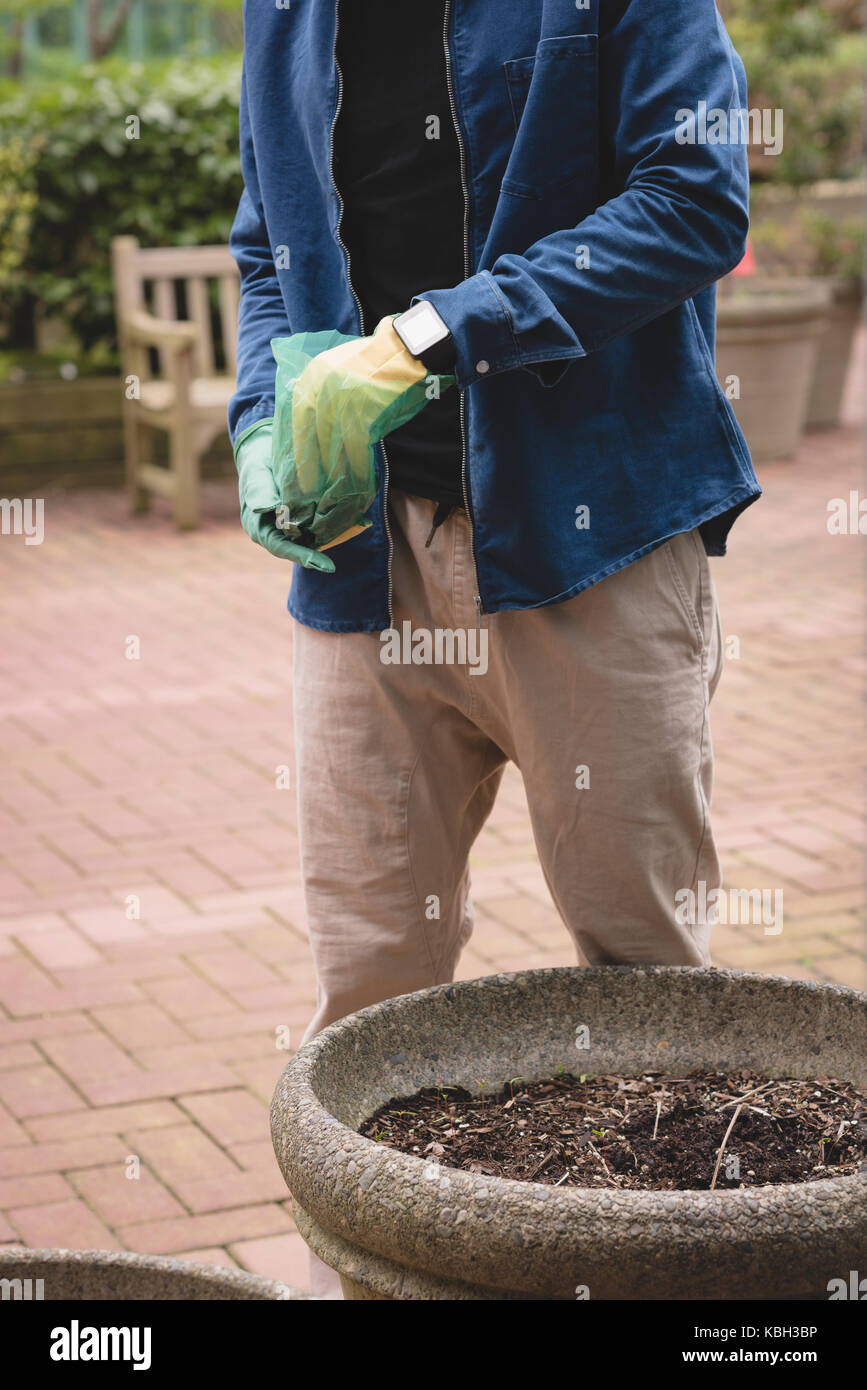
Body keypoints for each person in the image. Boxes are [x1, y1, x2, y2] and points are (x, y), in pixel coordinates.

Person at [229, 0, 761, 1297]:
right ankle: (375, 1280)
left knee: (646, 979)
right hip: (362, 560)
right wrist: (261, 420)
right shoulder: (284, 14)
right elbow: (264, 248)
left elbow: (697, 198)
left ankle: (676, 1292)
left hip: (594, 537)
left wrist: (434, 332)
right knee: (367, 980)